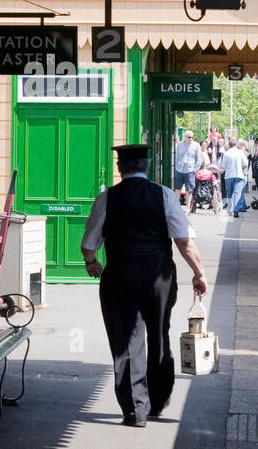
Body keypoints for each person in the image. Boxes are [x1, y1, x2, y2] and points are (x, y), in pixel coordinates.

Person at [81, 144, 208, 427]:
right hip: (159, 278)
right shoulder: (164, 195)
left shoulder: (107, 198)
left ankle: (135, 409)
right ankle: (158, 400)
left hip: (120, 278)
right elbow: (183, 240)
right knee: (159, 335)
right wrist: (199, 273)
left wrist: (91, 263)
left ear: (120, 168)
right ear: (146, 167)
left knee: (127, 341)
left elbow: (89, 243)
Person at [173, 129, 202, 212]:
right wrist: (176, 167)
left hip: (190, 170)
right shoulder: (179, 145)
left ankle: (187, 209)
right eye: (189, 137)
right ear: (185, 137)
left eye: (192, 137)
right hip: (179, 169)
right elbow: (176, 156)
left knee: (189, 190)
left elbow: (198, 159)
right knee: (177, 189)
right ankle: (176, 208)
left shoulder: (196, 146)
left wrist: (194, 170)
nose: (191, 139)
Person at [221, 137, 249, 218]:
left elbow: (223, 166)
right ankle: (236, 210)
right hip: (239, 175)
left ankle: (229, 209)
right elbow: (245, 164)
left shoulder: (226, 153)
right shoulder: (240, 153)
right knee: (237, 193)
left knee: (229, 193)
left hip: (229, 176)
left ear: (229, 145)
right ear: (236, 144)